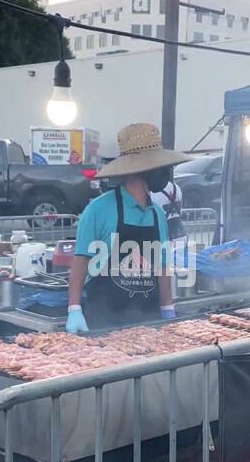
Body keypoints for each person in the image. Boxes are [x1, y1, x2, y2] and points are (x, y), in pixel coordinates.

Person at [66, 123, 191, 332]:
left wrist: (167, 309)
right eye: (160, 167)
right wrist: (74, 309)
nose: (165, 172)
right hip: (104, 321)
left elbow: (162, 266)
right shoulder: (98, 209)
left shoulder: (157, 213)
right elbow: (80, 261)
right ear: (143, 170)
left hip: (148, 320)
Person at [148, 177, 188, 268]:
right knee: (180, 271)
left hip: (163, 237)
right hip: (180, 233)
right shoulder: (176, 187)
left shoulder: (152, 192)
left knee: (163, 270)